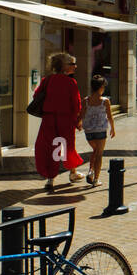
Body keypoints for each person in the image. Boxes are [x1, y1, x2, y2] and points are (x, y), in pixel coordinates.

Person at [34, 52, 85, 191]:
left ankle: (50, 179)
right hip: (65, 119)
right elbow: (76, 104)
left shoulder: (47, 80)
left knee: (51, 146)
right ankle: (72, 173)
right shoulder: (70, 82)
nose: (75, 66)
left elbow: (36, 95)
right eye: (72, 64)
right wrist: (77, 120)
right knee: (67, 146)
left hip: (49, 119)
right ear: (64, 66)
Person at [81, 74, 116, 188]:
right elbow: (110, 116)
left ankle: (91, 171)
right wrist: (113, 129)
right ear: (101, 87)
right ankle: (96, 179)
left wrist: (78, 124)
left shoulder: (86, 100)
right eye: (104, 87)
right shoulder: (105, 101)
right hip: (100, 131)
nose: (104, 89)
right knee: (99, 154)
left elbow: (82, 115)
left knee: (95, 150)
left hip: (89, 132)